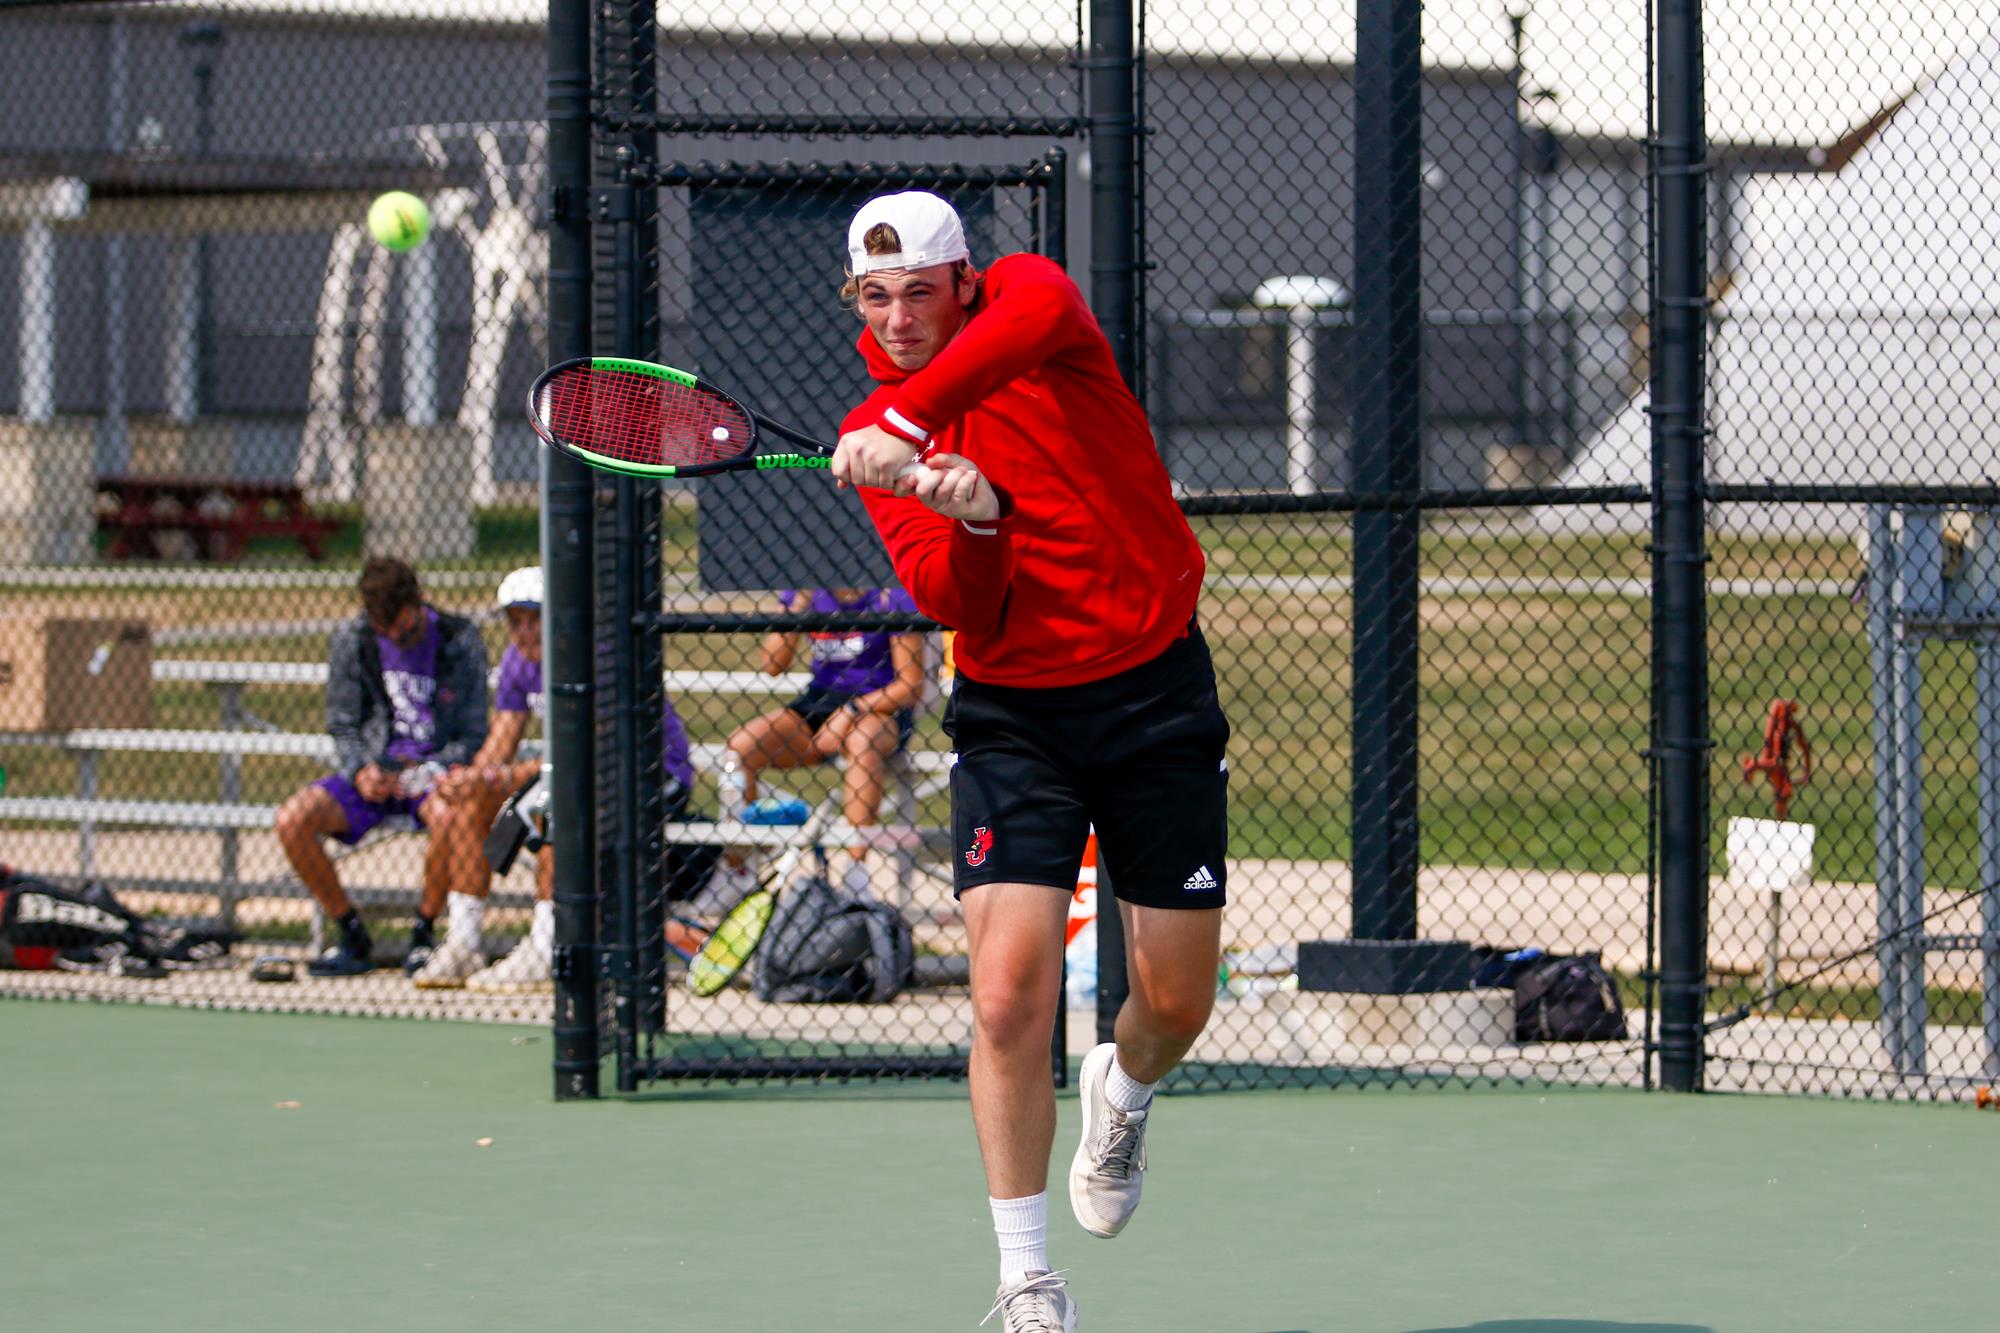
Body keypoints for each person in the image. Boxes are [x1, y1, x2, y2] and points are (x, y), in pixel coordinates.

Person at [829, 191, 1228, 1330]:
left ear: (964, 282)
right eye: (875, 296)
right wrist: (973, 520)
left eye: (919, 291)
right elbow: (956, 602)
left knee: (1174, 999)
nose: (899, 316)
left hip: (1154, 691)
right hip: (1016, 718)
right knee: (1006, 992)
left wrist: (908, 432)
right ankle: (1024, 1279)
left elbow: (1029, 309)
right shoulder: (878, 433)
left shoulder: (1035, 312)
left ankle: (1126, 1088)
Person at [412, 566, 708, 992]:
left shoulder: (593, 653)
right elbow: (503, 738)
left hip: (649, 775)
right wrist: (476, 777)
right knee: (473, 802)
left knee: (556, 804)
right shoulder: (518, 659)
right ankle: (463, 942)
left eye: (535, 618)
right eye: (516, 621)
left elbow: (591, 751)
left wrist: (505, 775)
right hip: (570, 775)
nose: (525, 631)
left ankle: (546, 947)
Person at [274, 557, 488, 977]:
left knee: (449, 818)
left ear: (419, 603)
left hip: (432, 772)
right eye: (385, 632)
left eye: (406, 630)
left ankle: (423, 935)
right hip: (375, 771)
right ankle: (351, 933)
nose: (397, 639)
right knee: (292, 819)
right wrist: (359, 770)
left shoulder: (458, 639)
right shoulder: (354, 639)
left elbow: (472, 734)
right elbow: (343, 723)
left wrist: (426, 770)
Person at [716, 585, 926, 897]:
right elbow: (773, 665)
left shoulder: (889, 595)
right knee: (741, 747)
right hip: (820, 702)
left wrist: (851, 711)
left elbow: (910, 686)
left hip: (879, 706)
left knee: (863, 741)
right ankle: (737, 869)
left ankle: (856, 874)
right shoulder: (806, 593)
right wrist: (799, 604)